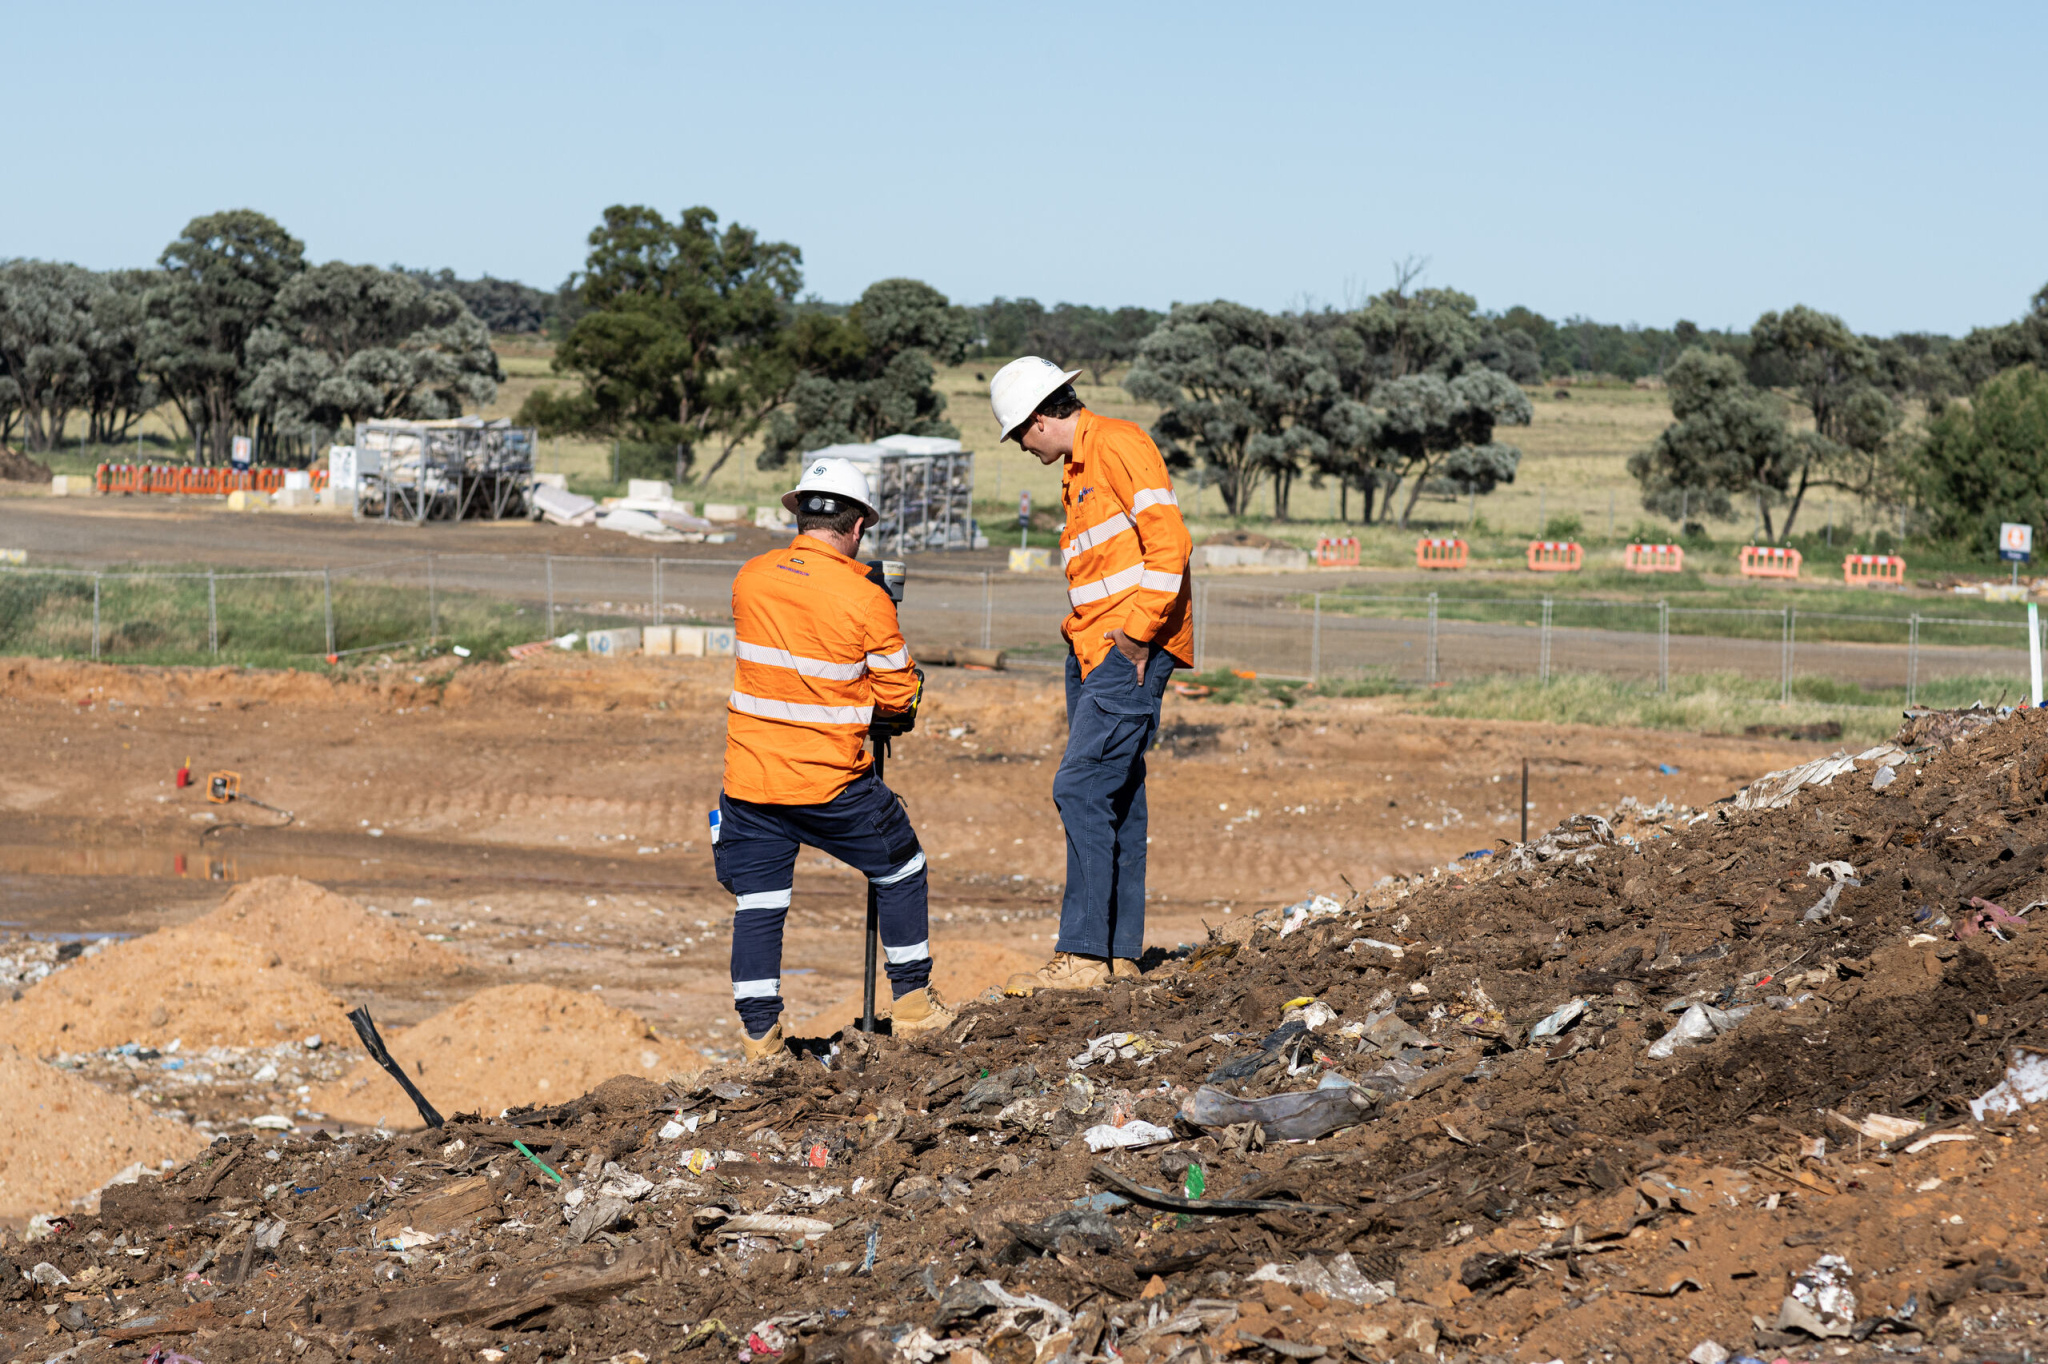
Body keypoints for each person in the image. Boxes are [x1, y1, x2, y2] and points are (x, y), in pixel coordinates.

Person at [713, 456, 954, 1059]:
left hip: (749, 779)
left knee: (760, 905)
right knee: (901, 867)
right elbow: (897, 696)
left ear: (802, 515)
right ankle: (914, 1005)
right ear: (857, 527)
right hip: (827, 783)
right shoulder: (865, 597)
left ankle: (759, 1042)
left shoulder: (750, 577)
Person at [988, 357, 1194, 995]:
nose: (1023, 448)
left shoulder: (1119, 444)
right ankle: (1117, 954)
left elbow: (1171, 546)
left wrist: (1137, 635)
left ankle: (1081, 955)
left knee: (1078, 787)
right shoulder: (1080, 466)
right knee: (1118, 797)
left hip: (1124, 647)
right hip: (1094, 646)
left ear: (1040, 418)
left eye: (1019, 435)